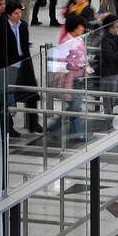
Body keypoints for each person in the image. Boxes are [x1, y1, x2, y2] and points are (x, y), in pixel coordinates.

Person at [4, 0, 43, 136]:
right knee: (8, 97)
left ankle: (33, 123)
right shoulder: (3, 27)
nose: (19, 15)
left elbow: (25, 45)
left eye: (20, 12)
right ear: (8, 15)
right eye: (16, 13)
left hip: (25, 63)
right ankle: (9, 127)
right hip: (10, 65)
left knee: (31, 93)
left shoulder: (23, 26)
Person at [48, 13, 88, 141]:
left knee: (76, 106)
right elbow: (61, 61)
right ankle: (56, 127)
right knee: (75, 107)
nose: (83, 29)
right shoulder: (66, 42)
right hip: (71, 79)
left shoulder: (80, 40)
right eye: (81, 26)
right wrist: (75, 66)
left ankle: (74, 132)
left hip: (79, 77)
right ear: (75, 27)